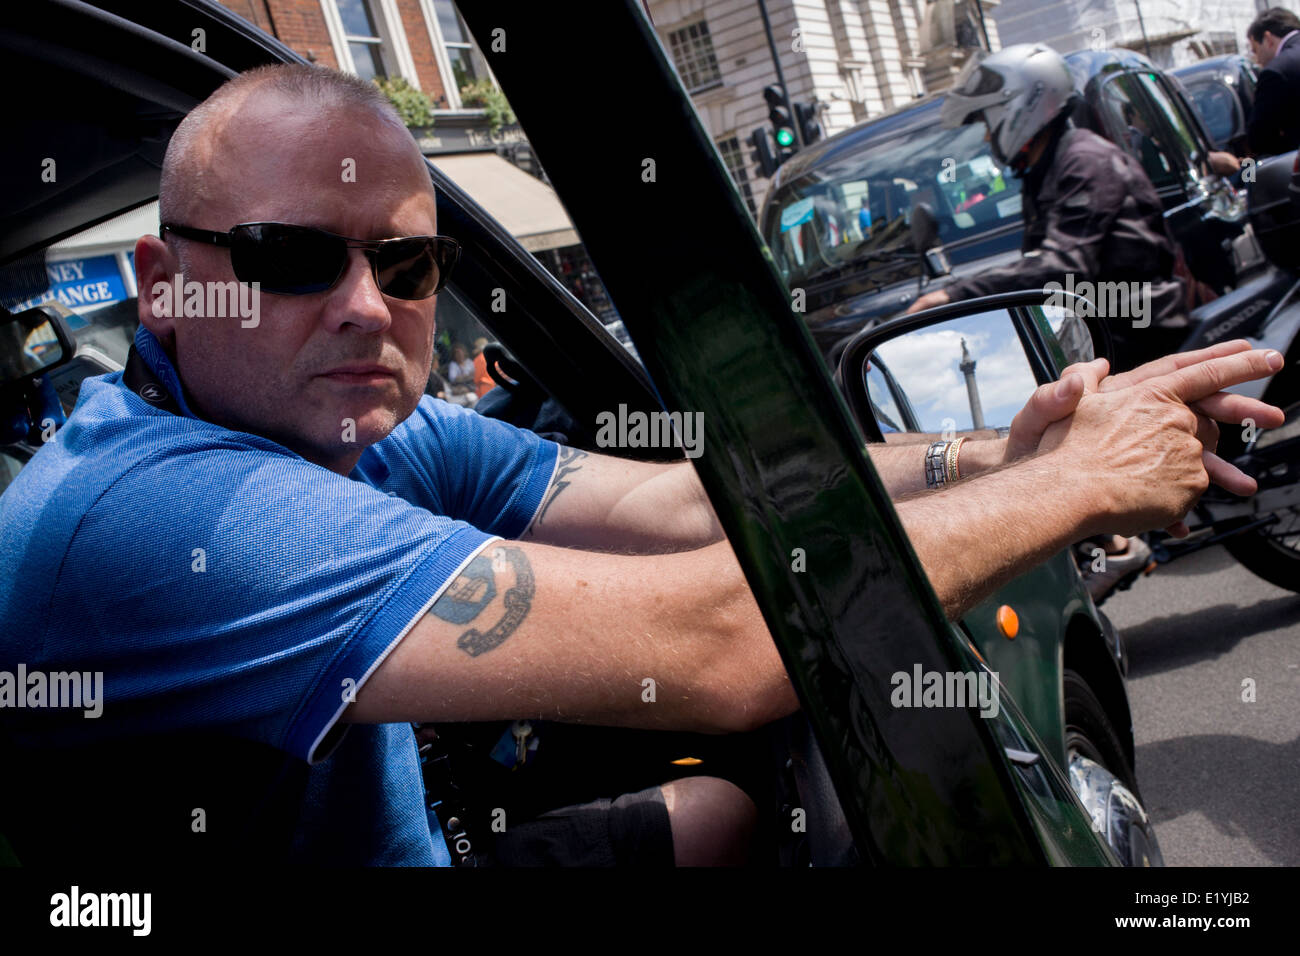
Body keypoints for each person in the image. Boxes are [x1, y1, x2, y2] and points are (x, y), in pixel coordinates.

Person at [0, 63, 1284, 867]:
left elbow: (680, 495)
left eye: (404, 266)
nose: (362, 306)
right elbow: (719, 646)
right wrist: (1069, 485)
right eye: (292, 258)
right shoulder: (154, 509)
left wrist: (986, 452)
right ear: (165, 289)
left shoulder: (367, 433)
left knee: (722, 817)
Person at [906, 43, 1189, 375]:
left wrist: (952, 295)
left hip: (1142, 337)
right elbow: (1037, 264)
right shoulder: (1045, 168)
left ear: (1021, 106)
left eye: (988, 121)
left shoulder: (1086, 161)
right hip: (1102, 331)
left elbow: (1063, 264)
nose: (986, 136)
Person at [1247, 7, 1300, 156]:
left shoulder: (1276, 72)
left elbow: (1260, 140)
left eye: (1255, 50)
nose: (1257, 60)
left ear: (1268, 39)